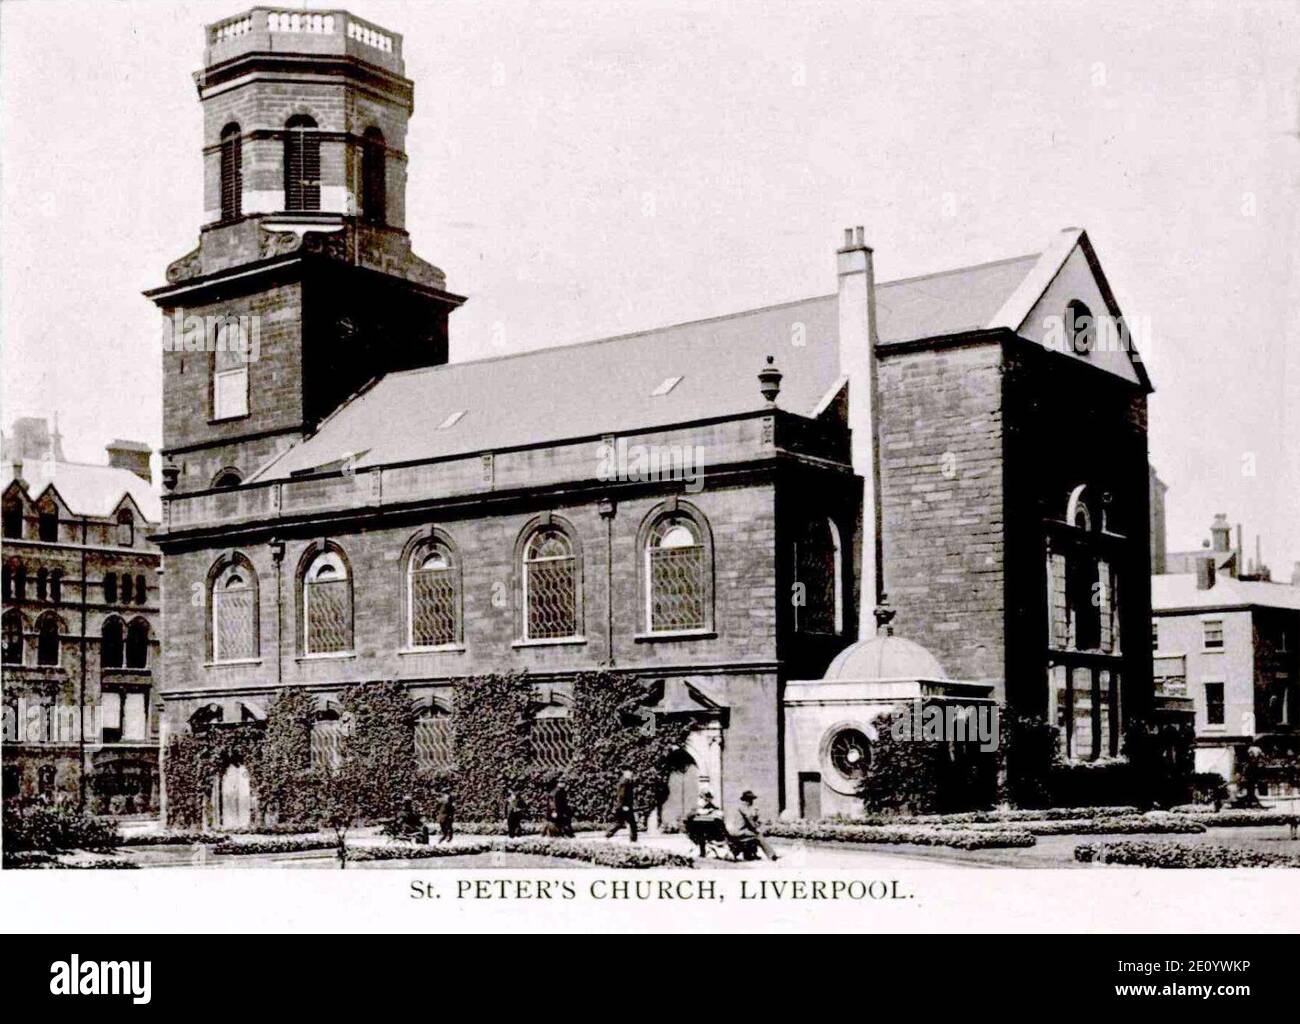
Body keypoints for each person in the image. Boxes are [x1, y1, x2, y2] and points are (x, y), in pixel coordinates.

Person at [731, 790, 778, 861]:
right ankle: (772, 855)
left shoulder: (742, 807)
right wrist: (756, 827)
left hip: (739, 831)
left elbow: (751, 820)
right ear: (748, 800)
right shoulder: (743, 807)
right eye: (751, 799)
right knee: (758, 835)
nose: (752, 801)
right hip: (739, 832)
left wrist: (760, 820)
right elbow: (750, 819)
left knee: (753, 834)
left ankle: (749, 855)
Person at [604, 769, 638, 842]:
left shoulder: (627, 781)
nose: (631, 773)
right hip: (624, 806)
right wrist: (624, 806)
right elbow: (621, 795)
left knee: (625, 823)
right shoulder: (624, 782)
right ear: (625, 773)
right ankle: (609, 834)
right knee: (622, 823)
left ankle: (609, 834)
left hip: (625, 806)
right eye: (629, 772)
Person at [687, 790, 722, 858]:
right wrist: (708, 810)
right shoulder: (697, 804)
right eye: (706, 798)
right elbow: (698, 812)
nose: (707, 801)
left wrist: (713, 809)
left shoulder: (708, 804)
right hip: (693, 828)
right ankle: (703, 850)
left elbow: (715, 809)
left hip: (703, 825)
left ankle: (705, 849)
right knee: (701, 834)